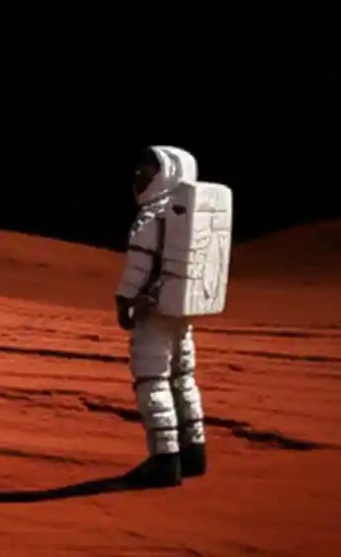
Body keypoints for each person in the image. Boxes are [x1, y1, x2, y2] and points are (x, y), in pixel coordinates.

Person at [115, 145, 208, 488]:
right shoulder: (188, 215)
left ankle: (165, 458)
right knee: (182, 376)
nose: (140, 175)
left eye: (149, 170)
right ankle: (193, 450)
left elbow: (139, 264)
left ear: (168, 173)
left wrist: (123, 300)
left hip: (153, 310)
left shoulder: (154, 215)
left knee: (152, 378)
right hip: (182, 310)